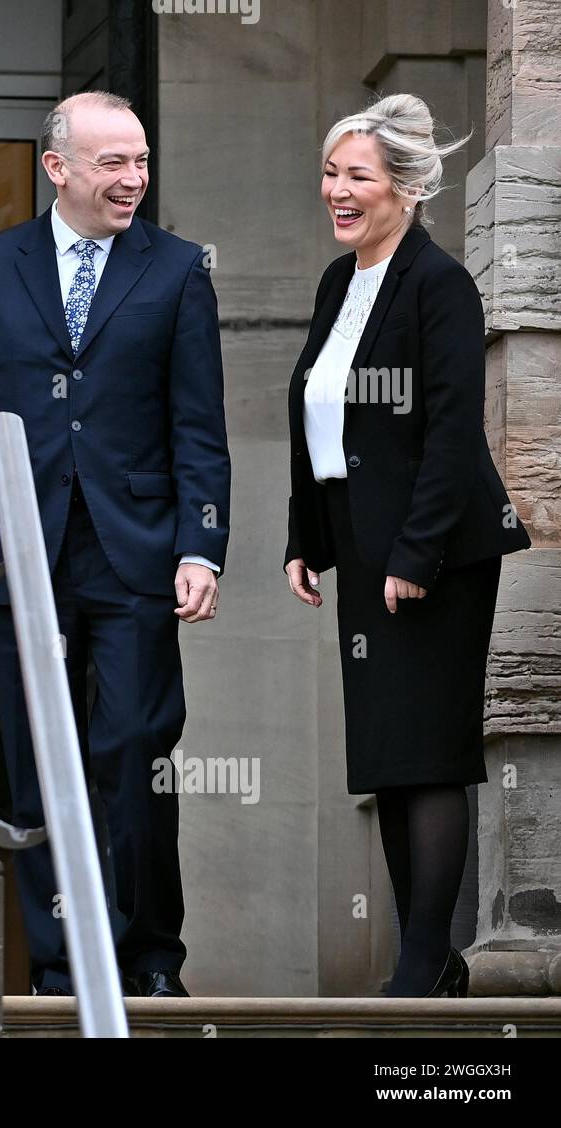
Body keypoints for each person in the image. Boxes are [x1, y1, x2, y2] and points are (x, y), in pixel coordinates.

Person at [0, 91, 231, 997]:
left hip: (135, 552)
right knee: (34, 757)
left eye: (141, 161)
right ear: (57, 168)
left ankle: (147, 958)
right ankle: (61, 965)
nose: (135, 179)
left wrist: (200, 547)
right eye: (113, 163)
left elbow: (199, 427)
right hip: (20, 548)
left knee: (134, 747)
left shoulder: (177, 271)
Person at [284, 94, 531, 997]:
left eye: (356, 177)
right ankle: (436, 961)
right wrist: (304, 537)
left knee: (428, 752)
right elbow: (318, 417)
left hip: (434, 553)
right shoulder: (336, 284)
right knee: (388, 755)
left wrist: (413, 557)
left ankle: (423, 963)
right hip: (363, 543)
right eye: (330, 174)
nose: (336, 192)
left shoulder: (440, 285)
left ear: (407, 188)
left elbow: (453, 432)